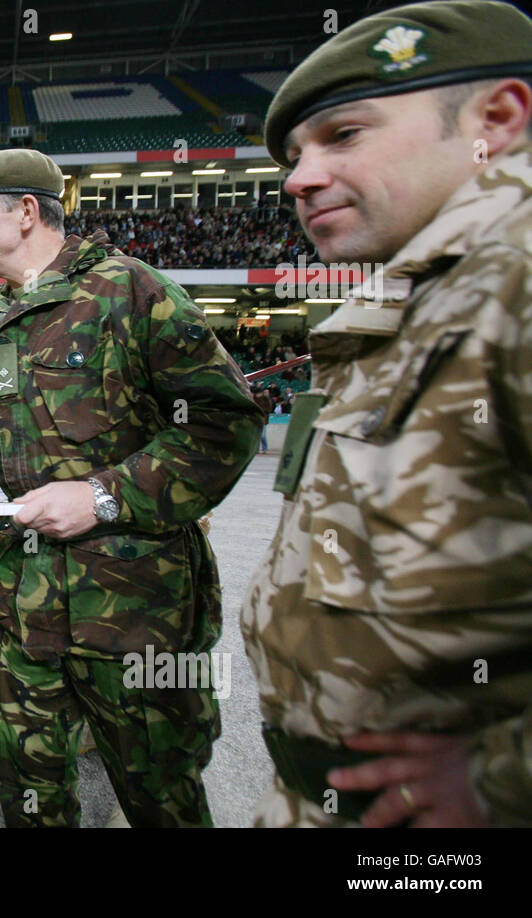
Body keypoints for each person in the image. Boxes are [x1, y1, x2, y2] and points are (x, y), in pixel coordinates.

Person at [0, 148, 263, 827]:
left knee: (163, 801)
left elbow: (223, 425)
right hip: (24, 617)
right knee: (31, 798)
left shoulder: (129, 290)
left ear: (26, 212)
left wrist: (103, 495)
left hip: (132, 619)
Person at [244, 0, 532, 828]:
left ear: (498, 119)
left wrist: (500, 778)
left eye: (345, 135)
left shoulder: (511, 283)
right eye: (295, 156)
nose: (297, 178)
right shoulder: (439, 292)